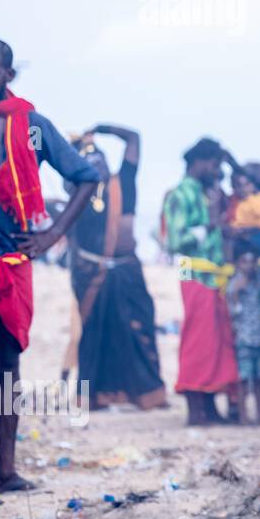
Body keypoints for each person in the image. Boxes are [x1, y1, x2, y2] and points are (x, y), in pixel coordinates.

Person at [0, 38, 103, 492]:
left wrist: (53, 233)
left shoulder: (33, 126)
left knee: (8, 370)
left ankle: (7, 472)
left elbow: (87, 177)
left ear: (9, 76)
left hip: (9, 265)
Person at [66, 125, 167, 410]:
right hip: (92, 271)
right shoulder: (78, 190)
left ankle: (147, 395)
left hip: (126, 269)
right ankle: (95, 398)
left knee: (140, 327)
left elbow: (134, 137)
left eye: (99, 157)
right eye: (88, 159)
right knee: (95, 333)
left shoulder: (123, 180)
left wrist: (102, 129)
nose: (95, 162)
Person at [163, 137, 240, 425]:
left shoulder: (207, 192)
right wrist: (209, 224)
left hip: (213, 278)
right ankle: (195, 409)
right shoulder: (181, 194)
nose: (216, 170)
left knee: (215, 342)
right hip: (194, 276)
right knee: (198, 340)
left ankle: (209, 407)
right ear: (199, 162)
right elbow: (174, 241)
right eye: (214, 164)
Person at [227, 245, 260, 424]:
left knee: (259, 377)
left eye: (252, 262)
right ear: (239, 264)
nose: (249, 266)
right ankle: (243, 415)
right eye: (245, 262)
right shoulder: (234, 285)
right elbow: (233, 312)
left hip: (259, 336)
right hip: (243, 337)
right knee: (244, 379)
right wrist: (237, 294)